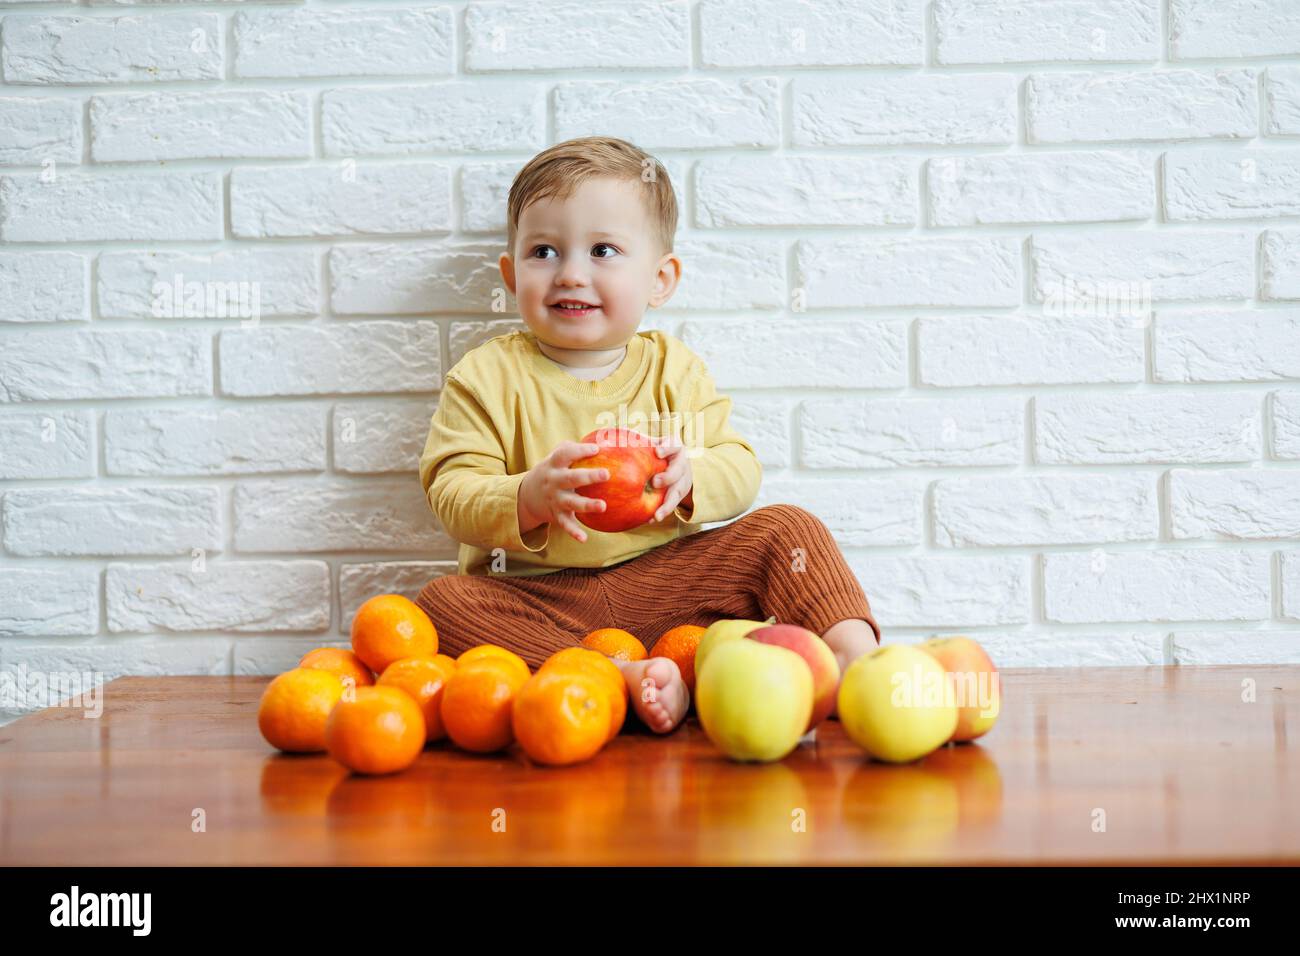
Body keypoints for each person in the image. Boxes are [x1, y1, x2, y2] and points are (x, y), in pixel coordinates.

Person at [416, 136, 881, 734]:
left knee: (787, 529)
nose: (571, 274)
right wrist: (527, 497)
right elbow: (451, 490)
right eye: (543, 251)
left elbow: (738, 464)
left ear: (660, 280)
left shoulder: (674, 370)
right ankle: (614, 679)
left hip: (666, 584)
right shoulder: (485, 377)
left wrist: (692, 478)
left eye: (603, 249)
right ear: (510, 274)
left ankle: (856, 663)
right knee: (443, 605)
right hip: (541, 600)